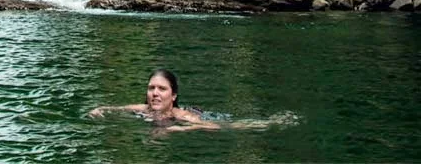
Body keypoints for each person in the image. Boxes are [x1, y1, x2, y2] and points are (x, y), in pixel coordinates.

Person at [89, 70, 286, 132]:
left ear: (173, 95)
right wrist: (99, 109)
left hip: (202, 117)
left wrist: (183, 128)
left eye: (162, 89)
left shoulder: (181, 115)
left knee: (230, 123)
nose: (155, 93)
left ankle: (273, 121)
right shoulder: (142, 108)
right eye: (151, 88)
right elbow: (113, 108)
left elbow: (217, 127)